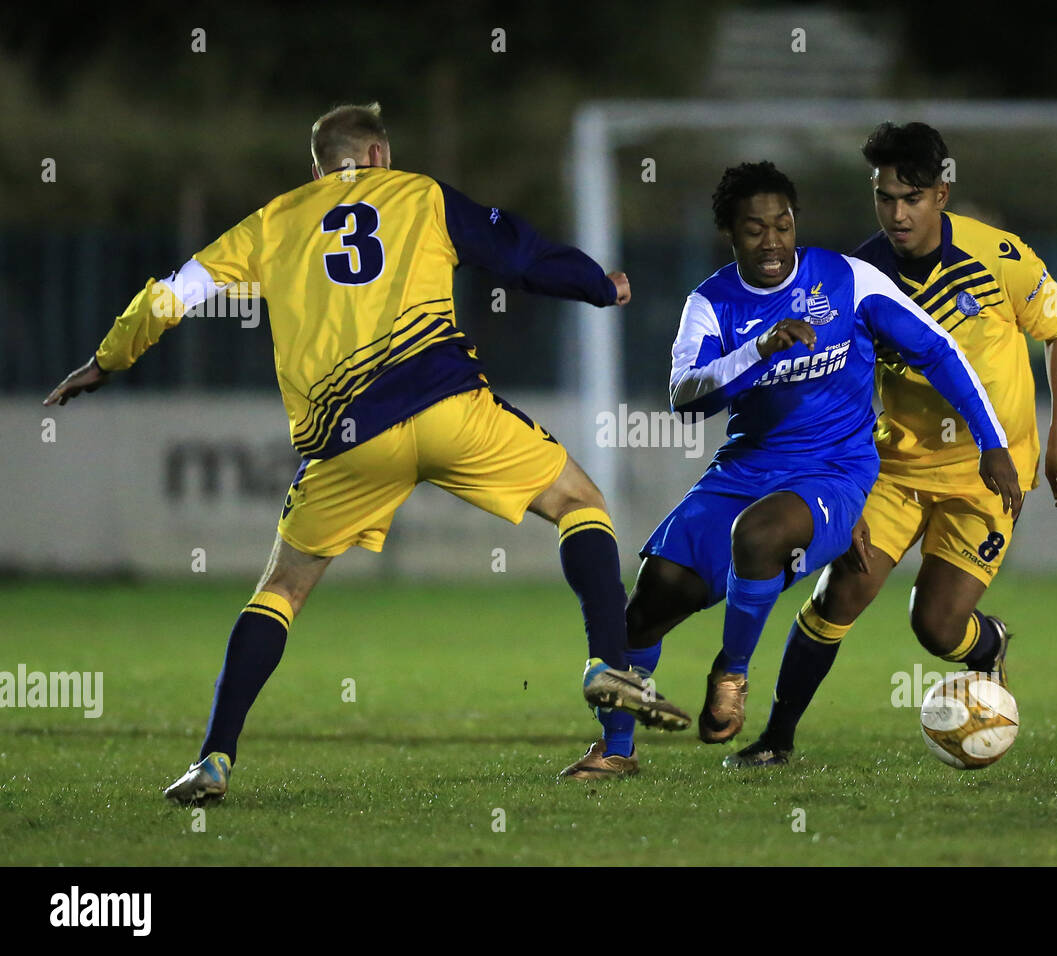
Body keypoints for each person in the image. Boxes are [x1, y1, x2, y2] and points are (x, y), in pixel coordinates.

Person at [43, 102, 690, 804]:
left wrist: (106, 360)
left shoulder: (274, 220)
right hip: (447, 408)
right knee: (578, 502)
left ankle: (214, 760)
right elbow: (521, 256)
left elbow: (172, 297)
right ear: (379, 156)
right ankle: (606, 660)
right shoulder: (419, 194)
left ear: (317, 168)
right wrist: (600, 285)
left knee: (281, 590)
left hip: (348, 442)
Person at [559, 160, 1019, 779]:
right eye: (755, 230)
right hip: (744, 470)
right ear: (732, 235)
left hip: (835, 472)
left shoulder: (848, 279)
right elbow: (686, 395)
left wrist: (994, 443)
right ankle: (617, 750)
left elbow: (940, 350)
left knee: (759, 535)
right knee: (647, 602)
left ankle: (732, 671)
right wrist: (758, 349)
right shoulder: (711, 302)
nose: (772, 241)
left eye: (783, 224)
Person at [728, 122, 1057, 768]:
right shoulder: (855, 278)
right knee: (841, 592)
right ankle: (776, 739)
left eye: (911, 197)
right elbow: (829, 389)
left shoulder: (1000, 259)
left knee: (936, 627)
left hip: (991, 469)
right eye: (884, 196)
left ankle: (986, 644)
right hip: (895, 467)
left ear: (941, 196)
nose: (897, 212)